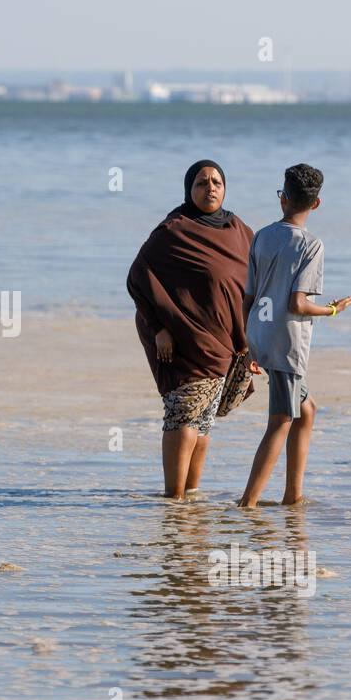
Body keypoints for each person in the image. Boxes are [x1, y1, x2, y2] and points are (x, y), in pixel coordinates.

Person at [127, 159, 255, 498]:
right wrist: (158, 329)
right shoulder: (174, 231)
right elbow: (138, 278)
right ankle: (174, 500)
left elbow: (254, 285)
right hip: (183, 340)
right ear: (189, 190)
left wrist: (254, 341)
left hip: (226, 343)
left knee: (204, 423)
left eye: (216, 182)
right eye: (201, 183)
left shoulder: (239, 230)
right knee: (183, 418)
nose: (210, 188)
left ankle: (191, 497)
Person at [238, 164, 351, 507]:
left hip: (260, 333)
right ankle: (248, 504)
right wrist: (333, 310)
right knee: (281, 420)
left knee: (307, 410)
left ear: (283, 199)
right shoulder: (312, 245)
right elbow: (298, 304)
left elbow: (248, 296)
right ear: (315, 205)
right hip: (287, 344)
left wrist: (249, 344)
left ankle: (293, 497)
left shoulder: (261, 235)